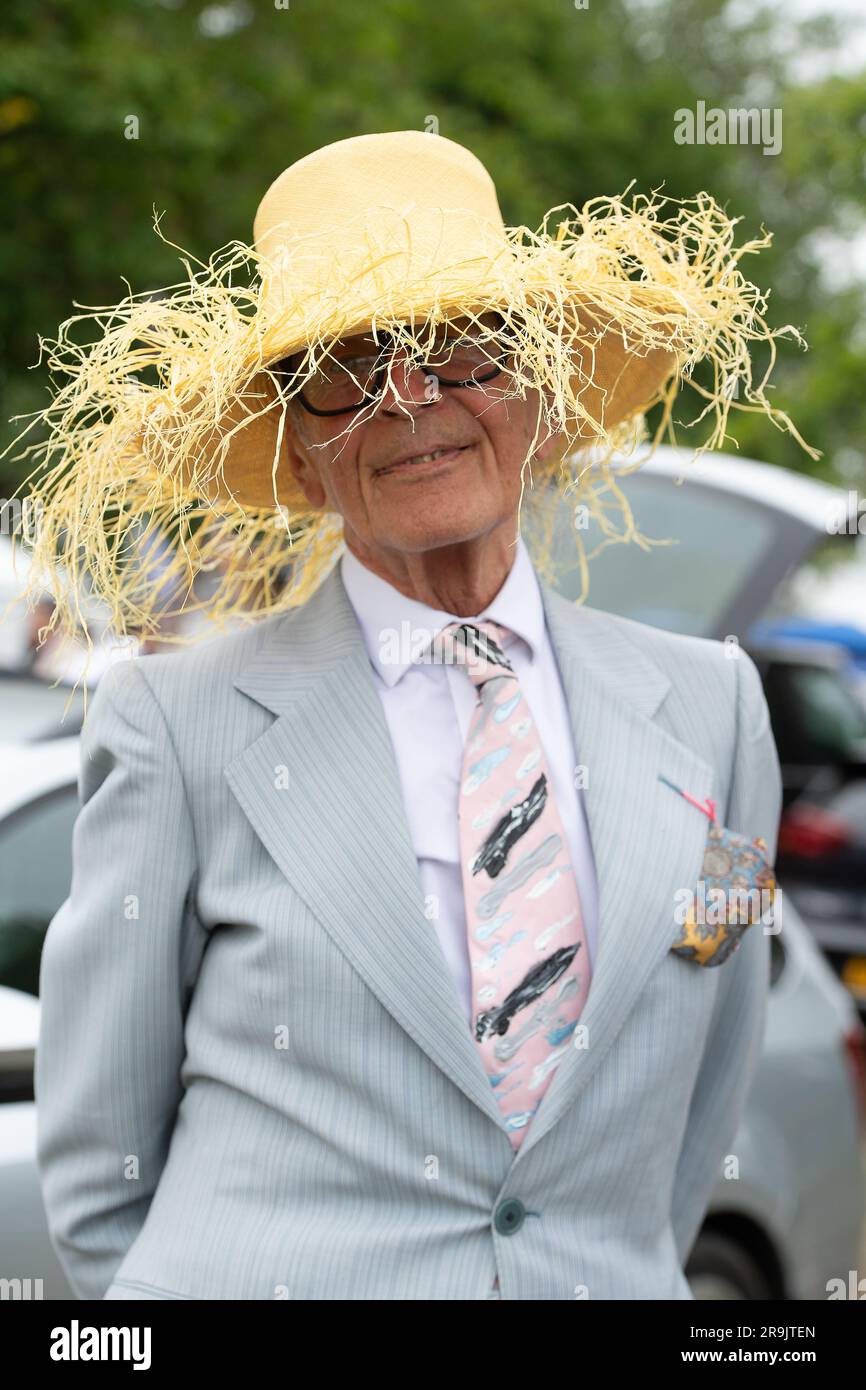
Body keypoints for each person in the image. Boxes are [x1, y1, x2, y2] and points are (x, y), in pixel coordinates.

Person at [32, 130, 799, 1300]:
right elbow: (98, 1163)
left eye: (466, 350)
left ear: (539, 395)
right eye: (346, 367)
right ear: (297, 456)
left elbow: (699, 1088)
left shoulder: (713, 708)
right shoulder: (171, 723)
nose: (413, 396)